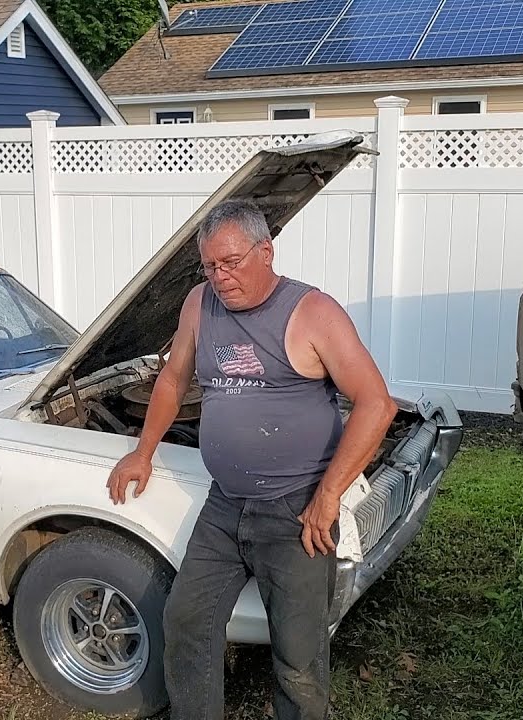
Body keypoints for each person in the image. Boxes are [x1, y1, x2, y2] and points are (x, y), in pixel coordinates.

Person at [106, 199, 397, 720]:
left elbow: (376, 403)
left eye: (232, 262)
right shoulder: (199, 304)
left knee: (298, 656)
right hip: (225, 506)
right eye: (210, 266)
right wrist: (142, 452)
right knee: (188, 622)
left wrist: (328, 495)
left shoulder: (313, 312)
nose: (221, 277)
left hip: (297, 510)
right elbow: (173, 379)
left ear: (266, 251)